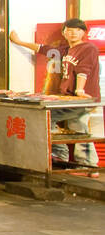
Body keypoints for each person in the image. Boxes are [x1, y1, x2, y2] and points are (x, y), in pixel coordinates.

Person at [14, 18, 99, 165]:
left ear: (84, 33)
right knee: (77, 126)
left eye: (78, 30)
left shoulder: (88, 48)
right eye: (69, 30)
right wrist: (19, 42)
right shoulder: (65, 50)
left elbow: (83, 71)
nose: (73, 33)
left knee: (51, 118)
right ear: (64, 33)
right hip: (70, 98)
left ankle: (67, 157)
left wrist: (79, 89)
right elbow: (43, 48)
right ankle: (83, 163)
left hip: (83, 98)